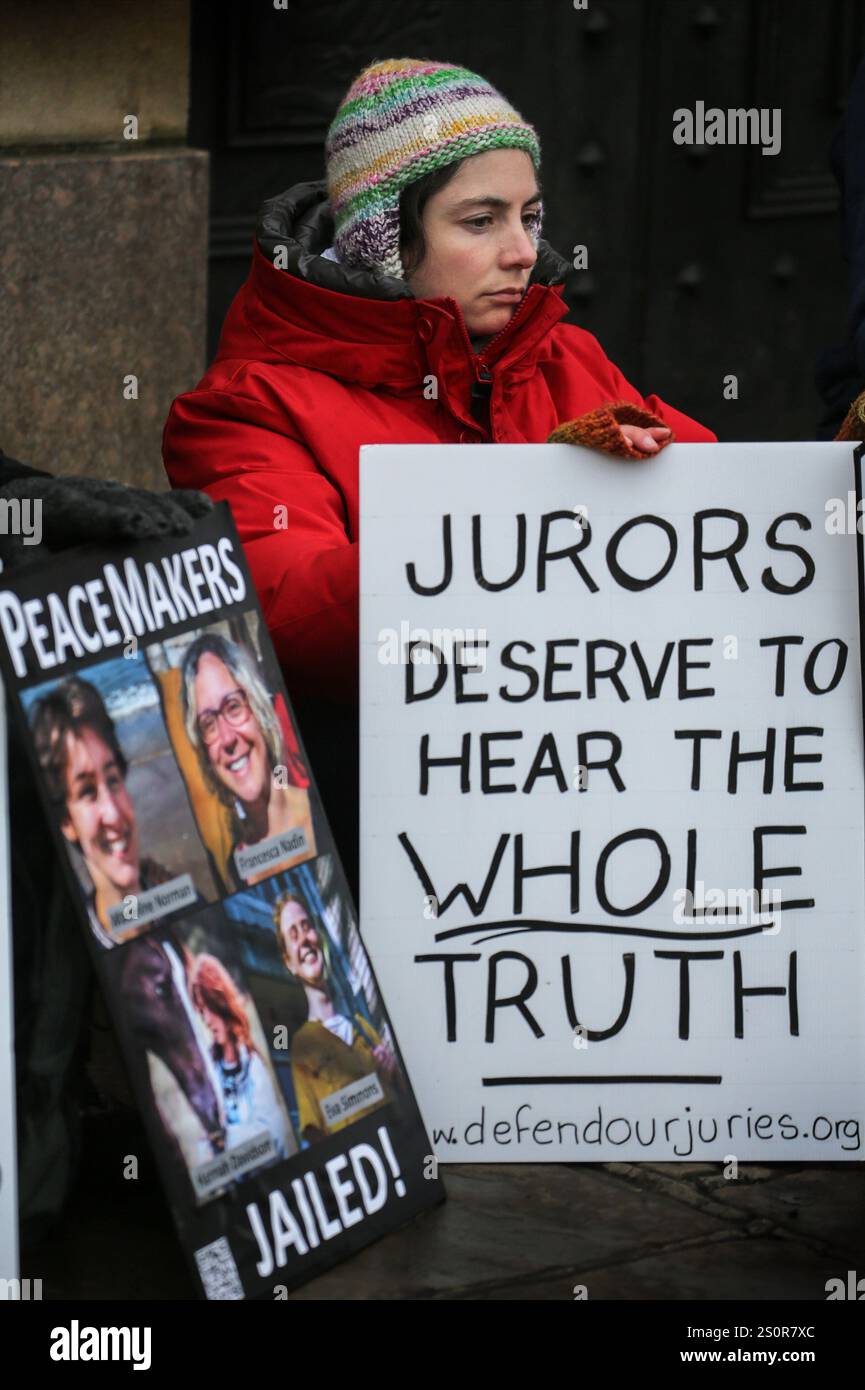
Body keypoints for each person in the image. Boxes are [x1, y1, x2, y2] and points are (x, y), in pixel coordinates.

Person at [163, 57, 717, 896]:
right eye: (480, 220)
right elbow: (288, 614)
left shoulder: (563, 353)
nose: (523, 252)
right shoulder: (249, 405)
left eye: (529, 216)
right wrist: (534, 507)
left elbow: (717, 508)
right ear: (386, 239)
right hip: (387, 840)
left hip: (587, 822)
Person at [31, 676, 174, 950]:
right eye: (87, 792)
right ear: (66, 821)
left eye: (112, 780)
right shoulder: (75, 955)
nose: (112, 813)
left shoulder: (186, 902)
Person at [181, 631, 317, 886]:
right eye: (208, 724)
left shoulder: (317, 810)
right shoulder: (239, 865)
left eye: (233, 707)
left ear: (258, 709)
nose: (227, 738)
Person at [274, 890, 400, 1144]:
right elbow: (313, 1132)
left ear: (318, 937)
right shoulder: (301, 1046)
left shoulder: (361, 1026)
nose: (304, 940)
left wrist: (394, 1074)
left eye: (306, 927)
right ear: (289, 962)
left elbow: (402, 1093)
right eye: (293, 935)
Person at [189, 951, 294, 1160]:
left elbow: (276, 1137)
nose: (207, 1020)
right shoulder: (208, 1072)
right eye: (201, 1012)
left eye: (208, 1008)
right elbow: (204, 1152)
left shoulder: (253, 1064)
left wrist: (227, 1139)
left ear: (219, 1001)